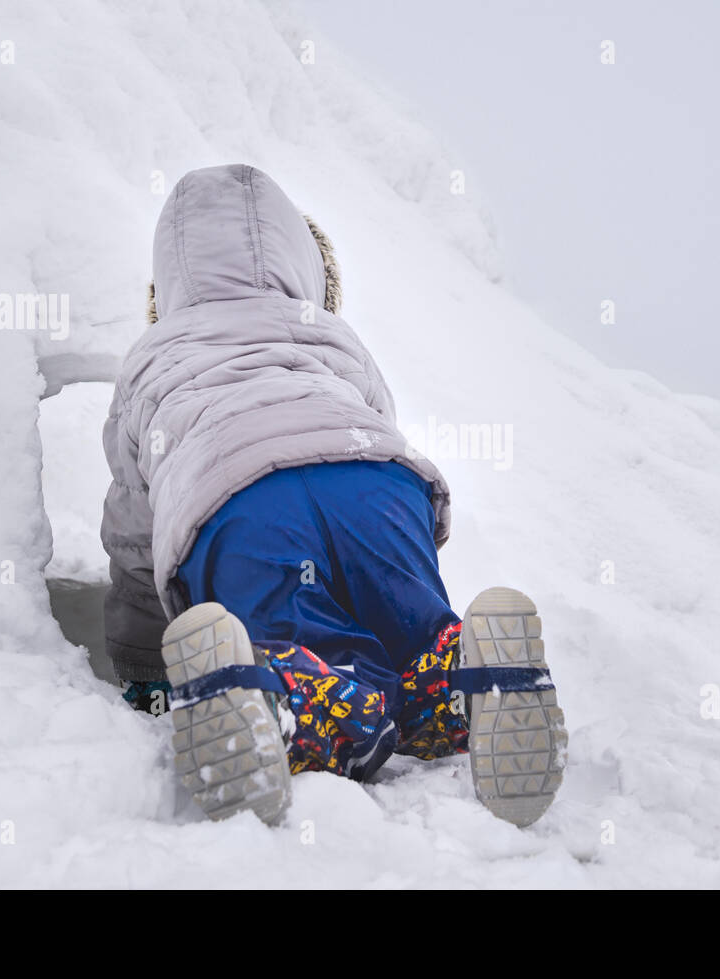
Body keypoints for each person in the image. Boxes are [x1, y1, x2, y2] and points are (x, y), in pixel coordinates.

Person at [101, 165, 566, 827]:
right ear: (301, 261)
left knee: (314, 654)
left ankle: (271, 698)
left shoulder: (152, 360)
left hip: (238, 505)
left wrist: (146, 659)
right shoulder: (330, 333)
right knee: (411, 644)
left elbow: (133, 536)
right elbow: (380, 420)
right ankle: (470, 673)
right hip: (376, 484)